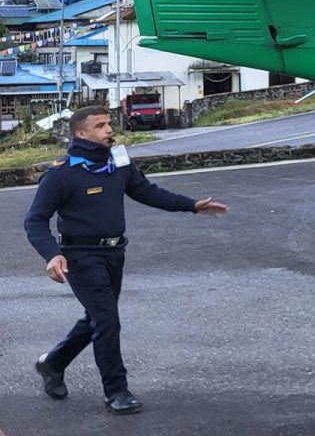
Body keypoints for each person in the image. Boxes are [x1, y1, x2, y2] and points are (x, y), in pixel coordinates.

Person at [25, 105, 228, 414]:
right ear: (81, 134)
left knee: (97, 318)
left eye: (109, 124)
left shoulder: (118, 162)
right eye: (100, 126)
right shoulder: (61, 174)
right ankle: (116, 391)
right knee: (107, 320)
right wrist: (52, 255)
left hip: (114, 252)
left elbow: (146, 191)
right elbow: (35, 220)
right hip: (80, 256)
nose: (109, 130)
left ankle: (54, 363)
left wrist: (192, 206)